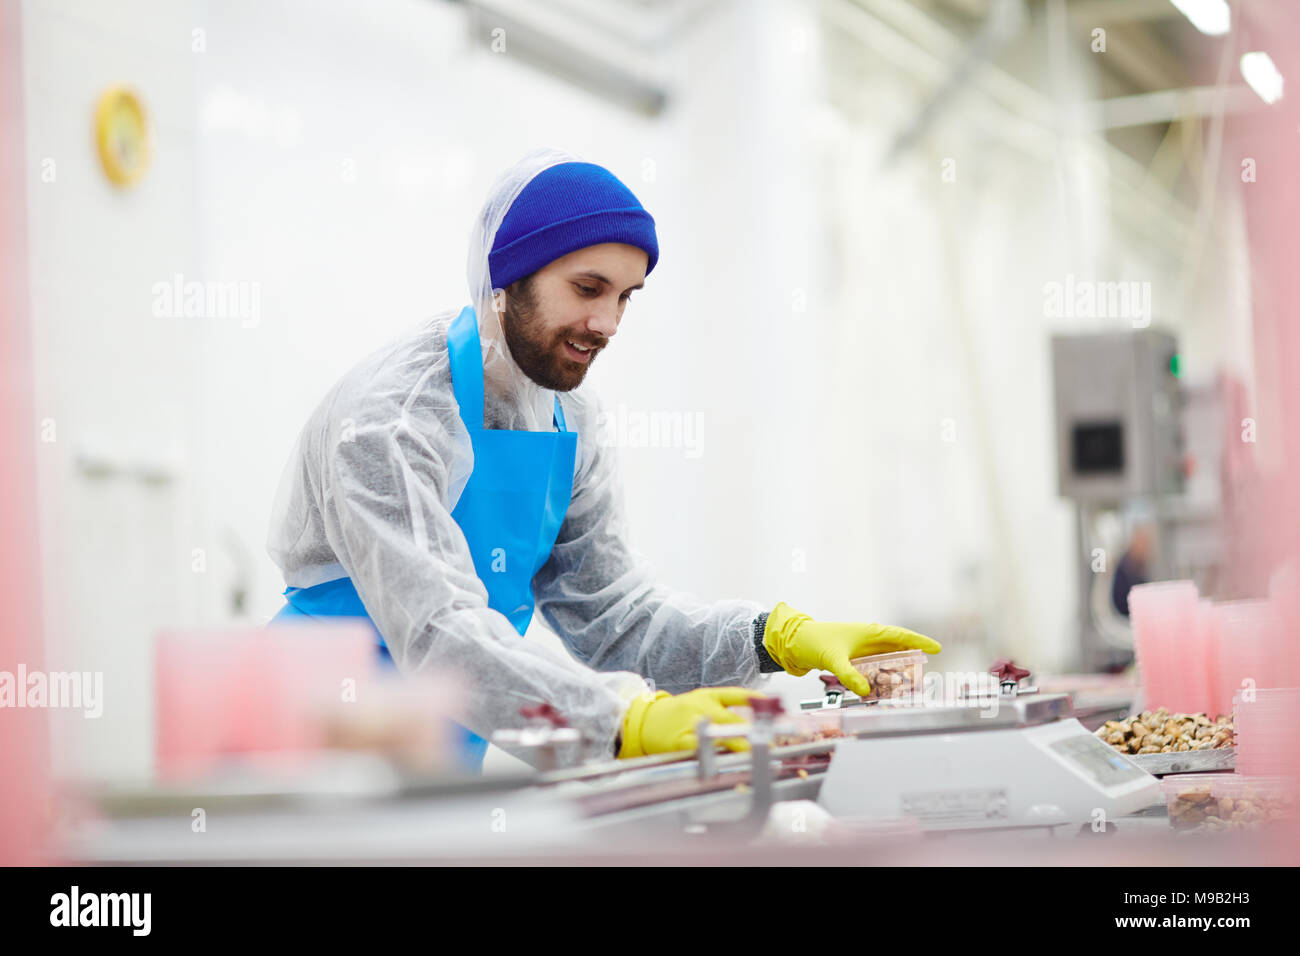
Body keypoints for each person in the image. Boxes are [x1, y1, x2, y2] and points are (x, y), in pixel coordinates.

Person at [267, 147, 941, 771]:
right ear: (509, 276)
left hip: (441, 757)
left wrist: (775, 637)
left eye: (625, 297)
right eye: (588, 288)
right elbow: (438, 633)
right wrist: (622, 721)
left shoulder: (568, 418)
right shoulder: (393, 416)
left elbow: (617, 619)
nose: (609, 324)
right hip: (314, 751)